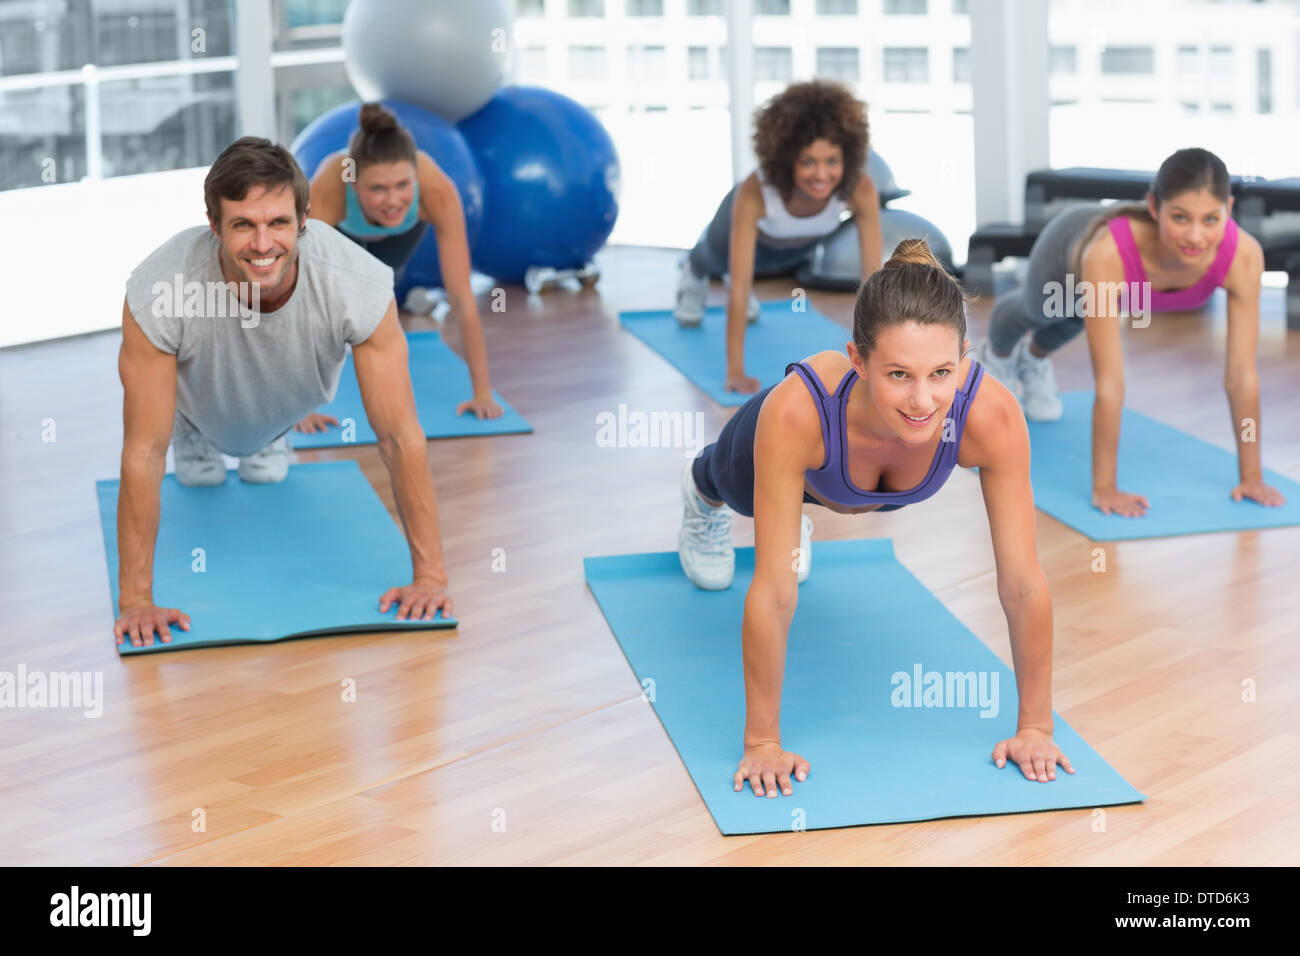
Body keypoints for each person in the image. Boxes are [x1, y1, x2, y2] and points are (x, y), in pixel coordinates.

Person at [678, 239, 1070, 798]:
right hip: (795, 454)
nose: (922, 400)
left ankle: (793, 521)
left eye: (940, 372)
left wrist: (1035, 727)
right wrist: (762, 743)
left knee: (792, 526)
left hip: (848, 481)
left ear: (964, 358)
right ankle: (704, 495)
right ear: (858, 360)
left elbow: (1023, 582)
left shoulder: (990, 416)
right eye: (898, 375)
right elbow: (774, 590)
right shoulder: (797, 412)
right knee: (728, 486)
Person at [114, 136, 453, 648]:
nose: (263, 242)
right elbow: (143, 452)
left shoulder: (354, 281)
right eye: (243, 224)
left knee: (267, 469)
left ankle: (276, 428)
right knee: (196, 475)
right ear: (214, 226)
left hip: (288, 398)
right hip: (195, 402)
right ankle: (198, 433)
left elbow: (399, 437)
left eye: (278, 223)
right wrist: (136, 600)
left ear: (304, 220)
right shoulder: (162, 287)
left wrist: (431, 579)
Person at [977, 147, 1285, 517]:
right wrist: (1105, 487)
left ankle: (1034, 360)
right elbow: (1110, 381)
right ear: (1154, 207)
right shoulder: (1107, 254)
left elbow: (1242, 377)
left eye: (1210, 219)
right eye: (1180, 217)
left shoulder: (1243, 257)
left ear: (1229, 210)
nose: (1195, 235)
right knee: (1042, 309)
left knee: (1074, 319)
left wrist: (1251, 475)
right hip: (1067, 250)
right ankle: (996, 353)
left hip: (1111, 285)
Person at [296, 102, 500, 435]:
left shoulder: (437, 190)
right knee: (330, 303)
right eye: (378, 188)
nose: (393, 200)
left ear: (415, 178)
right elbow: (300, 300)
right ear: (355, 184)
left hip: (398, 236)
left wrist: (482, 392)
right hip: (342, 231)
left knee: (378, 291)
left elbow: (462, 298)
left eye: (403, 185)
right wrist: (303, 406)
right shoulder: (329, 186)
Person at [674, 79, 883, 395]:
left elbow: (872, 281)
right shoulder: (756, 192)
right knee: (715, 261)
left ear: (847, 158)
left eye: (832, 162)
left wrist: (875, 359)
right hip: (746, 237)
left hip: (793, 251)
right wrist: (735, 372)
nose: (822, 175)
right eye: (808, 162)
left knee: (751, 272)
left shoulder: (859, 188)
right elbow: (741, 288)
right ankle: (691, 270)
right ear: (787, 159)